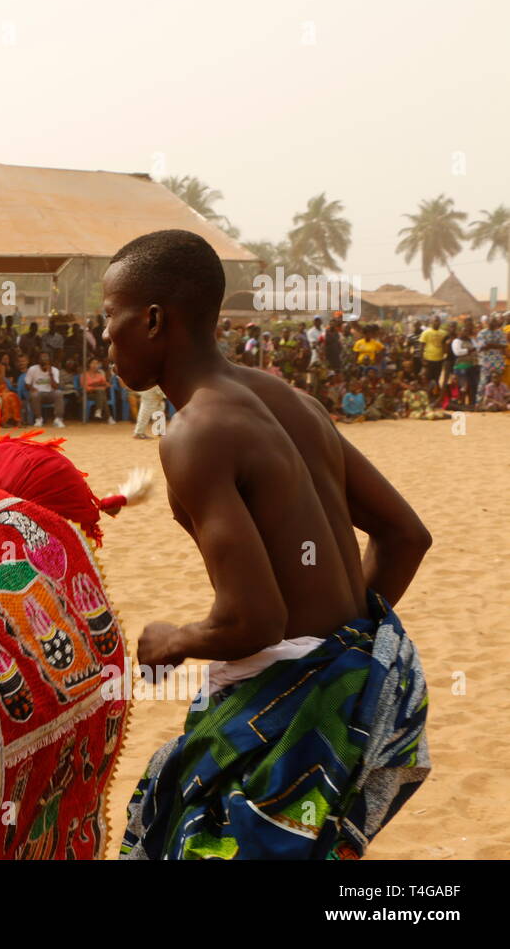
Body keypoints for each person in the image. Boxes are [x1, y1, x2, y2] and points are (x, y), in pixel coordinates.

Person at [102, 230, 430, 860]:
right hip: (368, 694)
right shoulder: (293, 401)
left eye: (110, 320)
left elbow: (253, 620)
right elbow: (406, 536)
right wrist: (337, 646)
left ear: (152, 320)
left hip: (292, 707)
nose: (105, 339)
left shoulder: (195, 431)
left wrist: (171, 639)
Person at [25, 351, 65, 427]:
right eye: (42, 357)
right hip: (38, 394)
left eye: (46, 357)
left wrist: (50, 374)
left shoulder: (54, 370)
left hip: (50, 393)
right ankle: (38, 419)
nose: (44, 359)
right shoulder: (32, 369)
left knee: (59, 393)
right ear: (38, 360)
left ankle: (58, 419)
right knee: (35, 395)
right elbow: (26, 385)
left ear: (49, 359)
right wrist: (32, 388)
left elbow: (56, 387)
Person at [82, 358, 115, 423]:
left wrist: (101, 386)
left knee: (101, 392)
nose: (95, 365)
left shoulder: (100, 375)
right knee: (101, 393)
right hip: (89, 394)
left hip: (99, 394)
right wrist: (96, 387)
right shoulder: (85, 375)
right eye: (93, 363)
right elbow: (85, 387)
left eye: (96, 363)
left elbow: (107, 385)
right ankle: (109, 417)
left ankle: (99, 410)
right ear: (89, 364)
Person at [418, 316, 447, 387]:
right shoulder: (425, 333)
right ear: (431, 322)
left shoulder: (444, 333)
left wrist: (445, 357)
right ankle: (428, 394)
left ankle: (435, 393)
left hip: (439, 360)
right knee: (428, 379)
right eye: (435, 321)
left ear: (440, 322)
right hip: (428, 360)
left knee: (437, 378)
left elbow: (446, 346)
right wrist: (422, 359)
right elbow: (421, 347)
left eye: (438, 321)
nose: (436, 322)